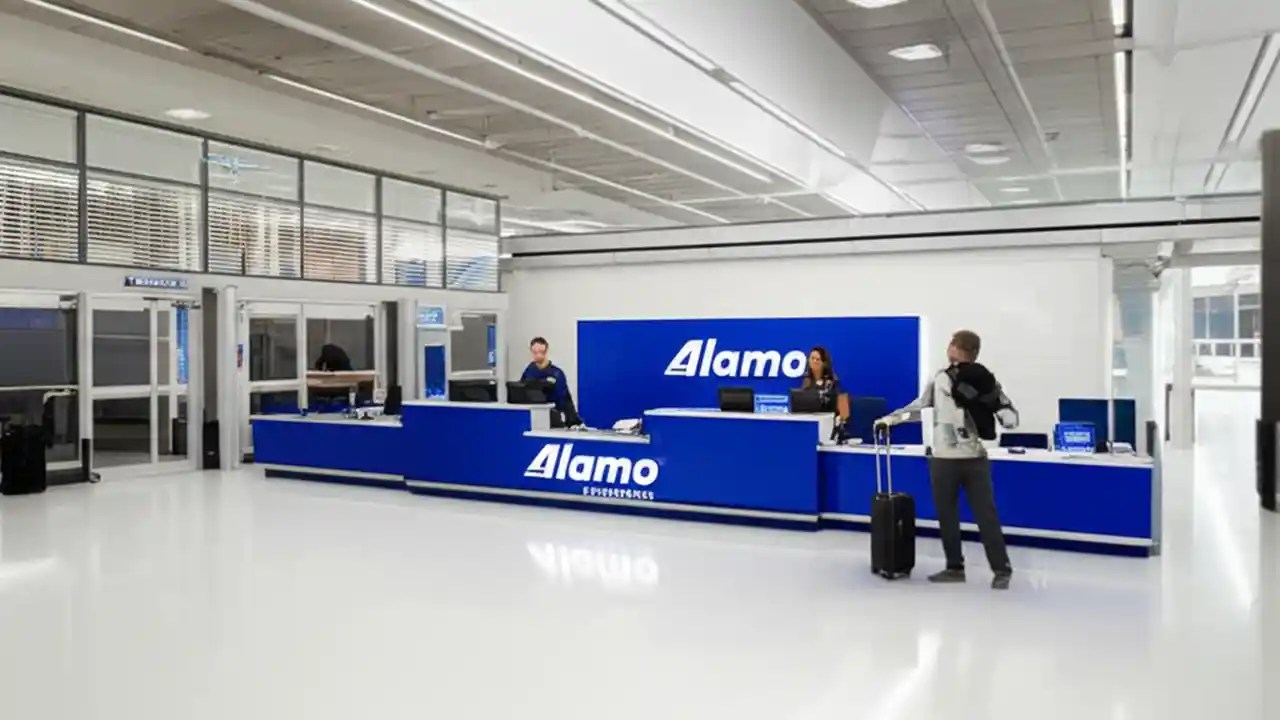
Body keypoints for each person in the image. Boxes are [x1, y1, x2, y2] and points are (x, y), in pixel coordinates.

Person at [877, 330, 1018, 590]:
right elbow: (1010, 418)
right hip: (970, 457)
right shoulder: (982, 380)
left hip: (947, 458)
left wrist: (891, 419)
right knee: (982, 515)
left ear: (955, 348)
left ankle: (961, 567)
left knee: (953, 514)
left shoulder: (951, 378)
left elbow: (920, 407)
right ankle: (997, 570)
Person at [520, 336, 581, 428]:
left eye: (542, 352)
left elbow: (564, 400)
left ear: (546, 351)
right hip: (533, 416)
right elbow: (521, 389)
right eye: (535, 352)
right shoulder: (529, 370)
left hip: (555, 417)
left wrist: (571, 421)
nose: (538, 355)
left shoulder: (556, 373)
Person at [801, 346, 850, 425]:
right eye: (812, 358)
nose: (814, 361)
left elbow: (844, 412)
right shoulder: (807, 382)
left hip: (830, 425)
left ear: (824, 363)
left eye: (818, 359)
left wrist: (836, 421)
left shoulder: (834, 383)